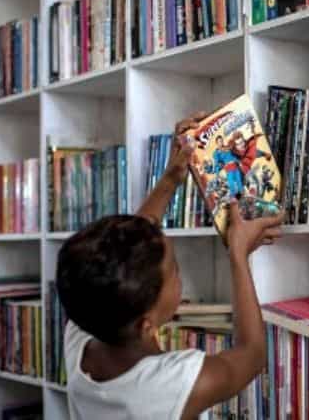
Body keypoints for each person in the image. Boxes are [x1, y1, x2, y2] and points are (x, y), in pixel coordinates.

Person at [56, 112, 284, 420]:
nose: (179, 273)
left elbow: (133, 242)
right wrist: (239, 255)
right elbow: (252, 355)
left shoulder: (84, 329)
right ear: (146, 325)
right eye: (174, 269)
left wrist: (171, 177)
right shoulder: (171, 384)